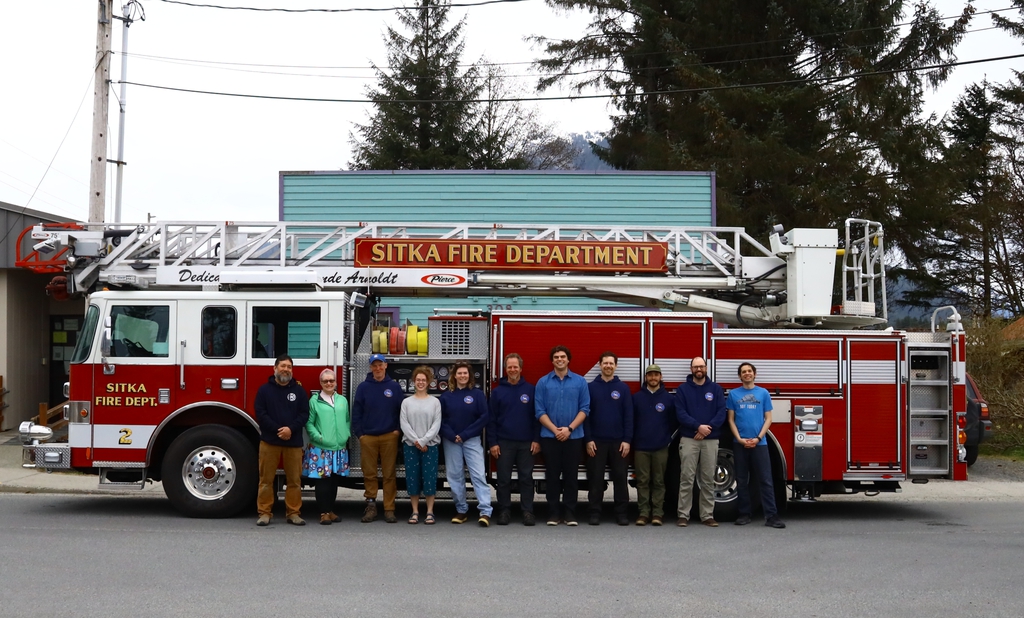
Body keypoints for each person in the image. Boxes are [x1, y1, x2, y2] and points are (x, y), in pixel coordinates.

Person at [535, 345, 590, 526]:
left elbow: (584, 409)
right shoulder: (543, 383)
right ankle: (553, 514)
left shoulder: (580, 382)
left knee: (571, 477)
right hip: (550, 438)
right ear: (552, 361)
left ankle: (570, 514)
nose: (560, 359)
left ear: (568, 360)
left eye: (563, 357)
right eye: (556, 357)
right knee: (552, 476)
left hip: (573, 437)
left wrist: (569, 429)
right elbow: (539, 410)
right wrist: (555, 430)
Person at [727, 362, 786, 529]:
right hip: (740, 444)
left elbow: (768, 418)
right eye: (744, 372)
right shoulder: (733, 395)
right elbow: (730, 419)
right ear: (740, 376)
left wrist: (758, 438)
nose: (747, 374)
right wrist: (739, 439)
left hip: (760, 444)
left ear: (754, 374)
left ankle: (772, 516)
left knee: (765, 480)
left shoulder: (763, 393)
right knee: (742, 479)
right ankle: (744, 514)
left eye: (749, 371)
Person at [255, 354, 310, 526]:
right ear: (275, 368)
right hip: (270, 441)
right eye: (283, 366)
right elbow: (261, 414)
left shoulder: (299, 391)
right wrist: (278, 430)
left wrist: (290, 430)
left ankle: (293, 513)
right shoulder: (264, 390)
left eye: (289, 367)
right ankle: (264, 513)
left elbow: (304, 414)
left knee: (294, 481)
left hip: (293, 443)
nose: (286, 369)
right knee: (266, 480)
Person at [487, 353, 540, 526]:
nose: (512, 370)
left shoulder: (531, 390)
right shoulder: (497, 392)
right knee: (503, 480)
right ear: (506, 369)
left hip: (527, 443)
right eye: (509, 367)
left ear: (520, 368)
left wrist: (536, 439)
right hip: (504, 443)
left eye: (515, 366)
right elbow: (491, 420)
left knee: (526, 478)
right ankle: (504, 511)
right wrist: (493, 443)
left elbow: (537, 417)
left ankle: (527, 512)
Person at [352, 353, 405, 524]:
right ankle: (371, 506)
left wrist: (397, 430)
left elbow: (401, 412)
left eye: (380, 364)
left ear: (386, 365)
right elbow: (357, 413)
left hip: (390, 436)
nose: (377, 368)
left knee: (389, 474)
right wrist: (360, 434)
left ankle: (389, 509)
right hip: (368, 438)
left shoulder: (394, 387)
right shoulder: (363, 387)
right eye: (374, 365)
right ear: (370, 367)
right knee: (370, 474)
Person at [675, 356, 727, 528]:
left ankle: (707, 515)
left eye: (701, 366)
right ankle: (683, 515)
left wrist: (707, 429)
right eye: (695, 367)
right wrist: (698, 427)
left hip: (710, 439)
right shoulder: (682, 390)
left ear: (706, 368)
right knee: (687, 478)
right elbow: (680, 413)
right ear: (691, 369)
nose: (699, 369)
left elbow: (721, 412)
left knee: (707, 479)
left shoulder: (716, 389)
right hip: (689, 438)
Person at [440, 362, 493, 526]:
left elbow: (484, 417)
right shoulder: (446, 396)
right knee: (455, 476)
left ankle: (485, 511)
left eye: (465, 373)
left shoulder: (477, 394)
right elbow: (439, 420)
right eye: (459, 373)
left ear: (469, 376)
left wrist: (464, 435)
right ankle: (461, 510)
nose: (462, 376)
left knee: (478, 475)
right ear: (454, 376)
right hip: (451, 441)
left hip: (471, 440)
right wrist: (451, 435)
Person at [584, 352, 633, 526]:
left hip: (619, 442)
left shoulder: (623, 388)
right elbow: (586, 416)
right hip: (596, 442)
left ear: (616, 366)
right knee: (595, 479)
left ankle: (621, 514)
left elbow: (628, 416)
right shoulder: (590, 388)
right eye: (605, 363)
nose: (608, 366)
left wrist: (627, 440)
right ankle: (595, 513)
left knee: (620, 478)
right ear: (599, 365)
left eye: (611, 363)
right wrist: (588, 439)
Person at [303, 368, 351, 525]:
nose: (329, 383)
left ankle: (330, 511)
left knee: (334, 482)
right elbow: (309, 423)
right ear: (321, 383)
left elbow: (347, 420)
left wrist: (346, 434)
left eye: (331, 380)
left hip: (339, 448)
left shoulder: (342, 401)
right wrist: (318, 437)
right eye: (325, 381)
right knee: (323, 482)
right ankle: (323, 513)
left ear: (336, 382)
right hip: (321, 448)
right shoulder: (314, 401)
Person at [631, 364, 678, 526]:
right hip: (641, 447)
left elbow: (673, 423)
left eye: (656, 375)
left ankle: (657, 513)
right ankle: (643, 513)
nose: (653, 378)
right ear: (646, 378)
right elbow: (632, 421)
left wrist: (665, 438)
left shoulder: (669, 399)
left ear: (661, 377)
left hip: (660, 447)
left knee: (659, 481)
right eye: (650, 375)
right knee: (642, 481)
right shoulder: (636, 398)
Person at [400, 366, 442, 525]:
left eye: (423, 380)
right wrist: (417, 441)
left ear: (428, 382)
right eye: (418, 380)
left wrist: (424, 441)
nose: (420, 382)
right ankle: (415, 511)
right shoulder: (406, 402)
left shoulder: (435, 402)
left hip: (430, 446)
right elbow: (404, 424)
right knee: (413, 478)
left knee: (430, 479)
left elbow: (436, 424)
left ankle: (430, 512)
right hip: (411, 446)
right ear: (413, 381)